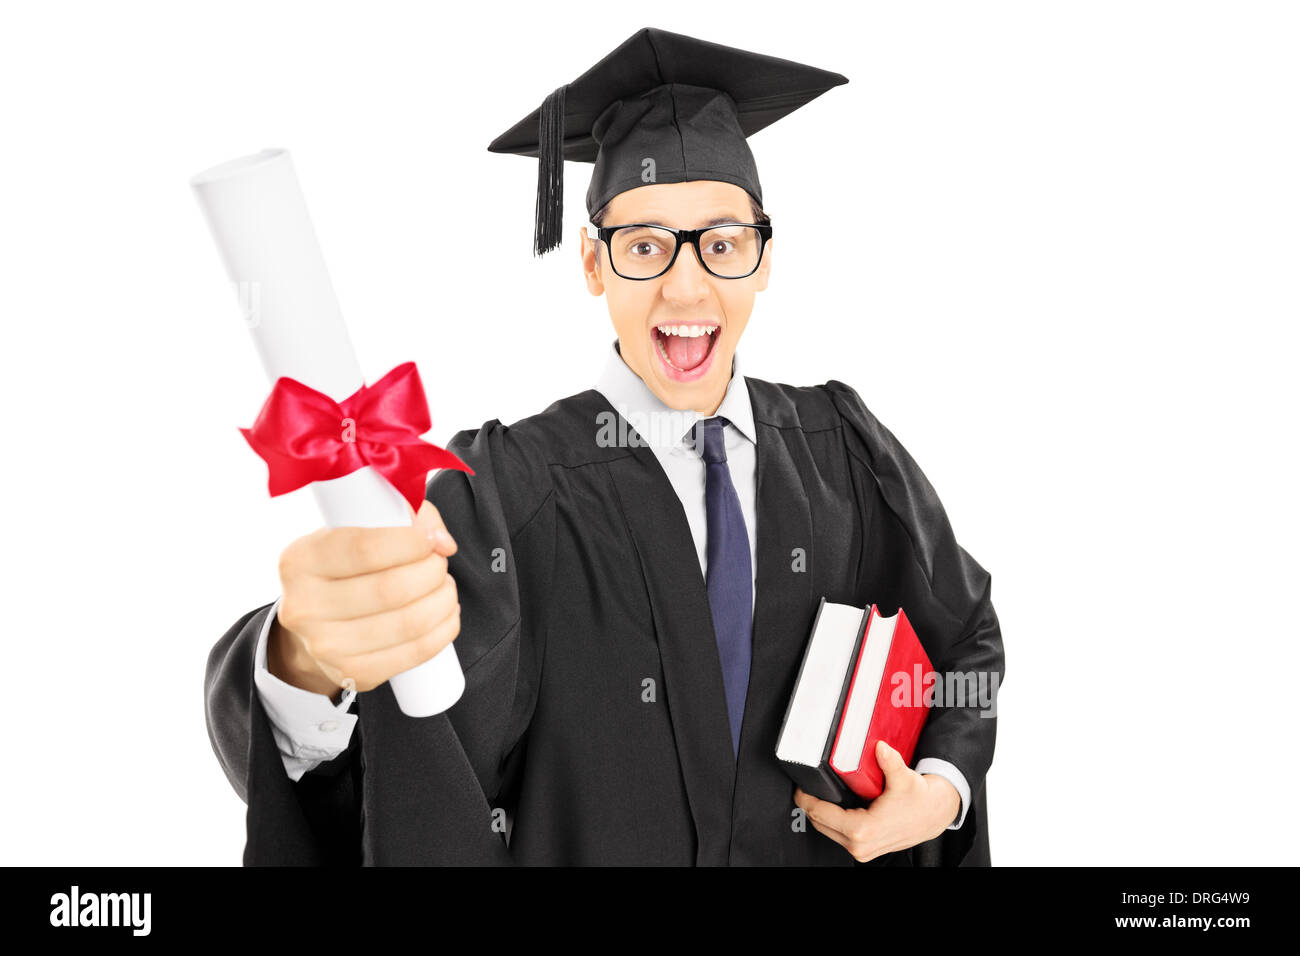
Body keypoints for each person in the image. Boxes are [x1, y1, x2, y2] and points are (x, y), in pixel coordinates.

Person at [204, 26, 1004, 866]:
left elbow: (967, 637)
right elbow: (396, 748)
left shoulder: (842, 450)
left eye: (723, 243)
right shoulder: (504, 494)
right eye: (646, 245)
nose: (686, 284)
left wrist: (943, 789)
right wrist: (301, 659)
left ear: (766, 259)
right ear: (592, 262)